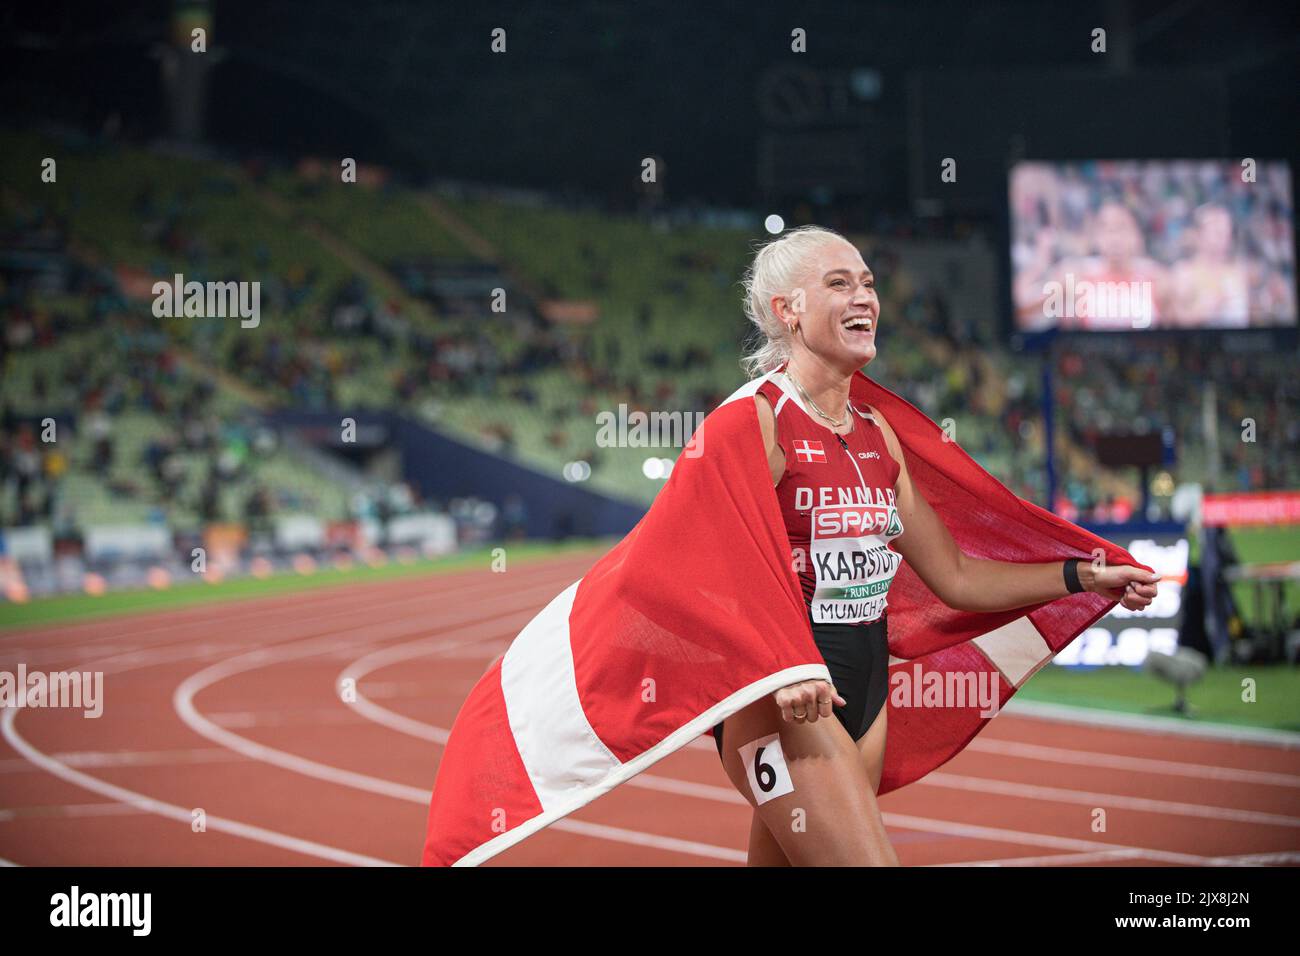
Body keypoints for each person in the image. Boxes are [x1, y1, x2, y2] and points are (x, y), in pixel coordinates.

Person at [715, 225, 1160, 866]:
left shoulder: (877, 436)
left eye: (868, 283)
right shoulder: (755, 419)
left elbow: (956, 578)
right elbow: (716, 567)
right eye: (838, 284)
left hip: (865, 693)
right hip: (785, 700)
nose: (864, 297)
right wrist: (781, 665)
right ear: (788, 311)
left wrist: (1084, 575)